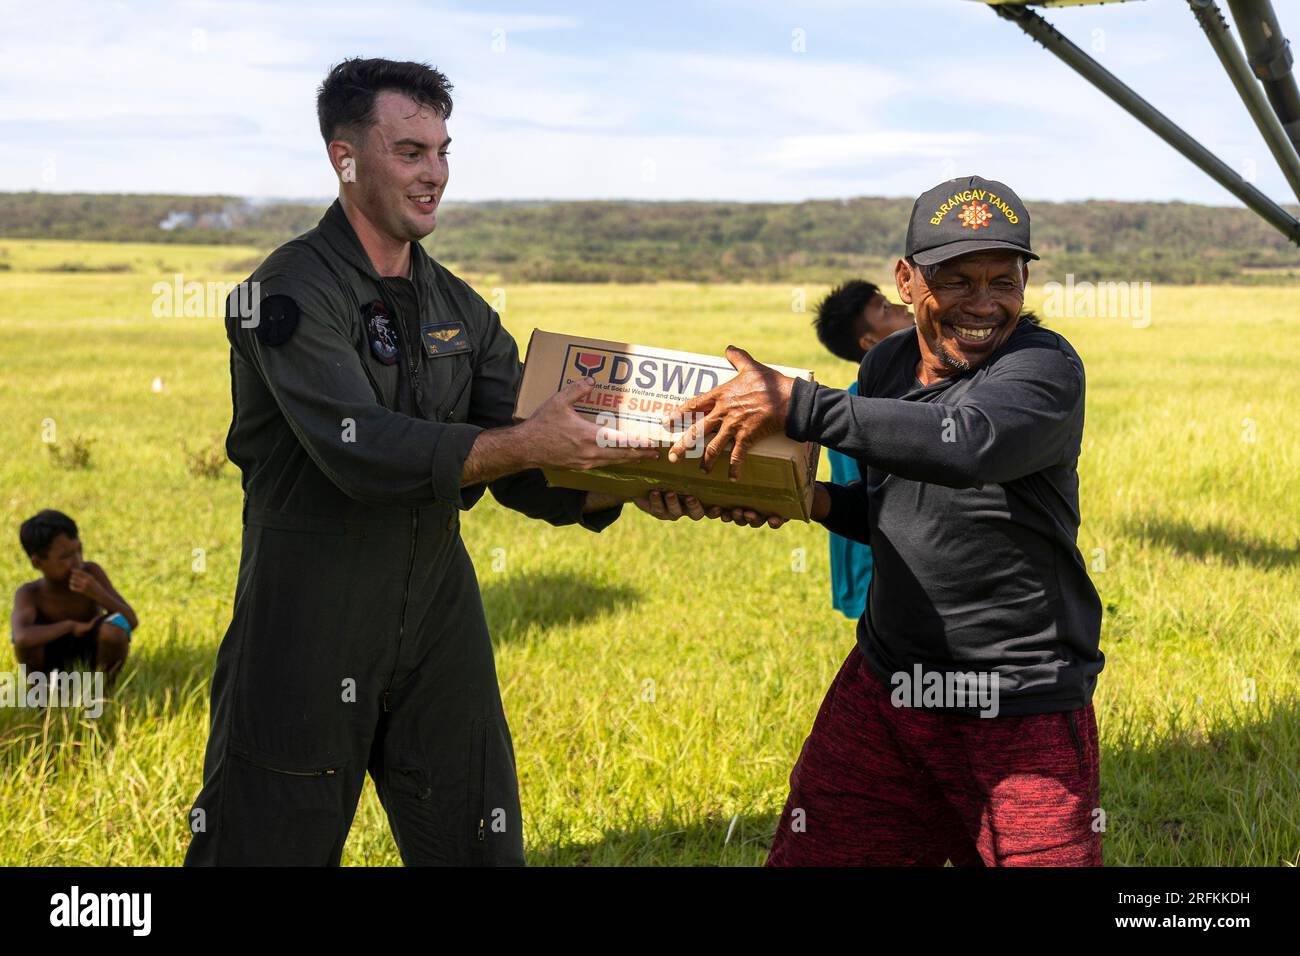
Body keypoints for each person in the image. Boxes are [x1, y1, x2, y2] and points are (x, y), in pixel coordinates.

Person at [182, 57, 685, 867]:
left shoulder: (460, 306)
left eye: (444, 151)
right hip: (308, 614)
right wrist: (529, 442)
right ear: (345, 160)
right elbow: (363, 451)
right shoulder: (285, 291)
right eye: (411, 152)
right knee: (264, 842)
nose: (436, 175)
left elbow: (523, 454)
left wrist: (623, 480)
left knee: (477, 840)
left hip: (438, 613)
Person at [665, 176, 1105, 866]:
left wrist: (797, 404)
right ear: (905, 280)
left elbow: (967, 444)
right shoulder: (886, 364)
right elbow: (890, 511)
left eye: (1004, 280)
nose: (984, 305)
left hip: (1019, 704)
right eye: (957, 282)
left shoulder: (1043, 369)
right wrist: (803, 500)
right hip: (888, 684)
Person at [812, 281, 913, 618]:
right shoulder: (856, 409)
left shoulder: (848, 401)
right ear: (870, 342)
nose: (903, 308)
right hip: (874, 559)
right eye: (885, 309)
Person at [11, 510, 138, 686]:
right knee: (28, 645)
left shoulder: (92, 573)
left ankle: (104, 688)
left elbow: (130, 620)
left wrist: (98, 593)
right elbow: (21, 637)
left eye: (79, 550)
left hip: (91, 651)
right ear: (38, 563)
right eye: (65, 557)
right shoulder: (30, 594)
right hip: (50, 657)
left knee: (115, 630)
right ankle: (41, 694)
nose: (77, 561)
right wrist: (69, 627)